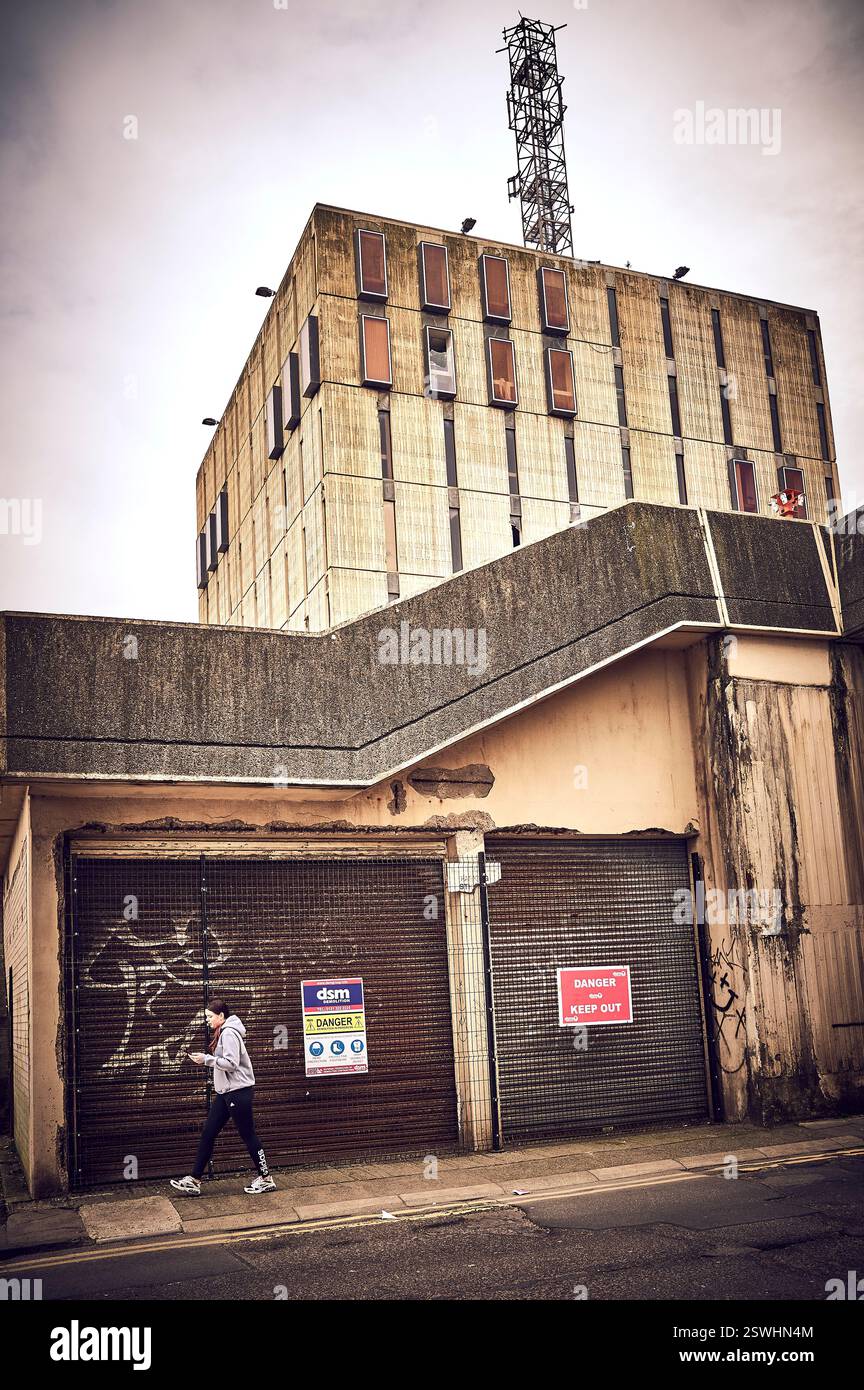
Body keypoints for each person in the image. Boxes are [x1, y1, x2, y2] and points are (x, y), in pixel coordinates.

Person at [170, 999, 276, 1196]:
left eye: (210, 1017)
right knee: (208, 1133)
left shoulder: (228, 1033)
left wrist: (206, 1060)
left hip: (238, 1092)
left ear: (221, 1016)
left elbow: (231, 1063)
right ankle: (194, 1180)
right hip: (226, 1093)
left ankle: (266, 1178)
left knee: (248, 1135)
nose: (207, 1021)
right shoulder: (222, 1032)